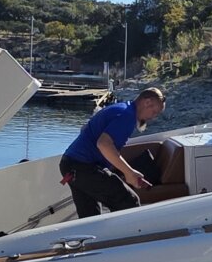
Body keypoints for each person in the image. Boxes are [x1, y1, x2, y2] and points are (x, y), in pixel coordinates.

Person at [60, 87, 166, 217]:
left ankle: (95, 237)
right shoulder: (127, 116)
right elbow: (103, 144)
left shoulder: (120, 108)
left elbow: (85, 129)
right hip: (82, 167)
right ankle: (127, 236)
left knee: (90, 217)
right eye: (154, 112)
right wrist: (129, 173)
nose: (153, 117)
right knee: (128, 201)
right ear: (147, 102)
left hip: (69, 165)